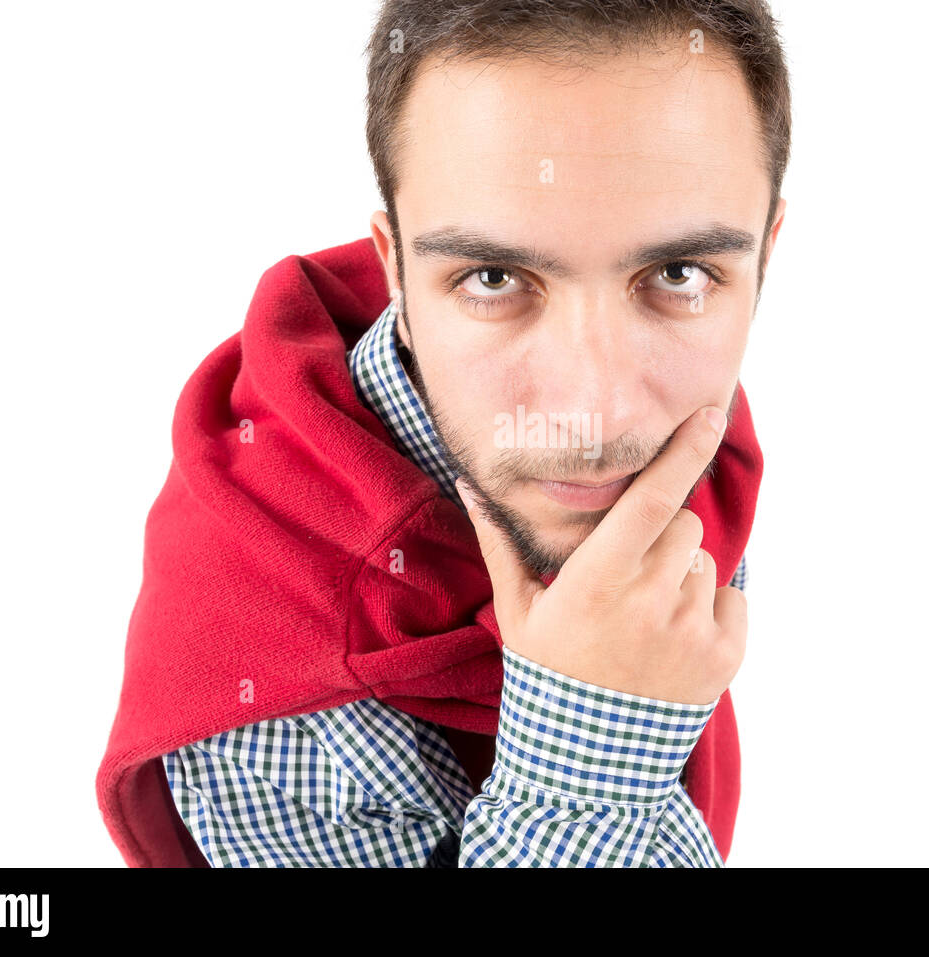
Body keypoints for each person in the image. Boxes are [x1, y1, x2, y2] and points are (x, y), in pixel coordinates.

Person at [97, 0, 790, 867]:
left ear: (763, 257)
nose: (595, 401)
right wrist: (592, 754)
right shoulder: (285, 731)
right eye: (495, 277)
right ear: (394, 270)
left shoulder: (690, 425)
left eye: (676, 273)